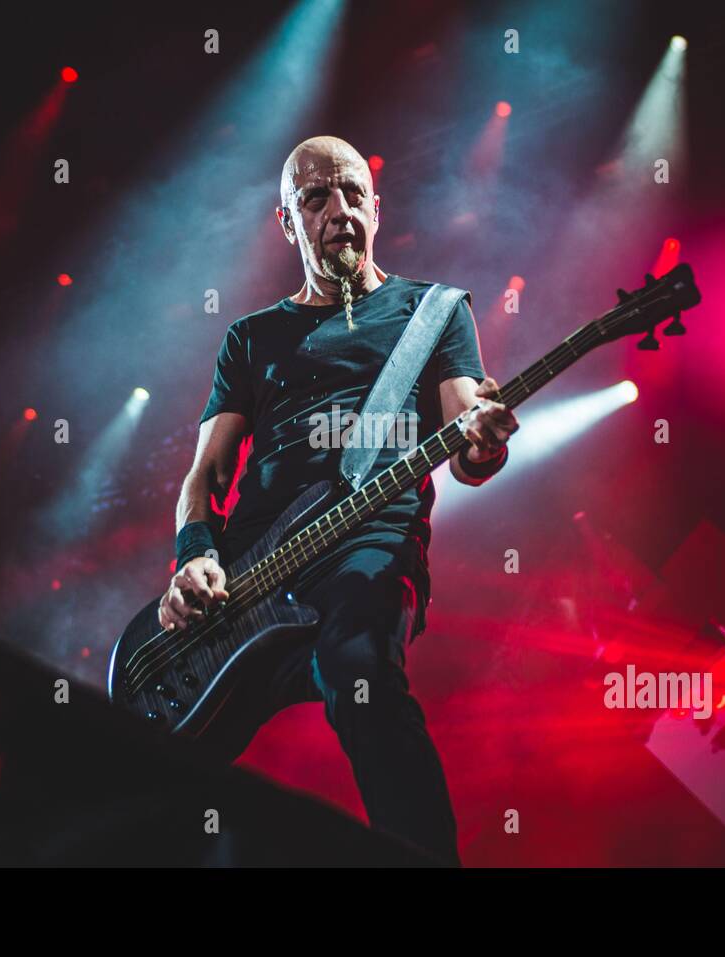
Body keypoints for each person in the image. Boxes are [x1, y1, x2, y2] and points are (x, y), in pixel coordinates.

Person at [159, 136, 517, 866]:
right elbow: (205, 474)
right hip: (250, 579)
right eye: (316, 198)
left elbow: (467, 436)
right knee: (154, 759)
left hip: (370, 544)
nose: (339, 212)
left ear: (376, 209)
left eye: (353, 194)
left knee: (358, 667)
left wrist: (483, 440)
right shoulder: (251, 338)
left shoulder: (434, 312)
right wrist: (194, 559)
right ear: (288, 222)